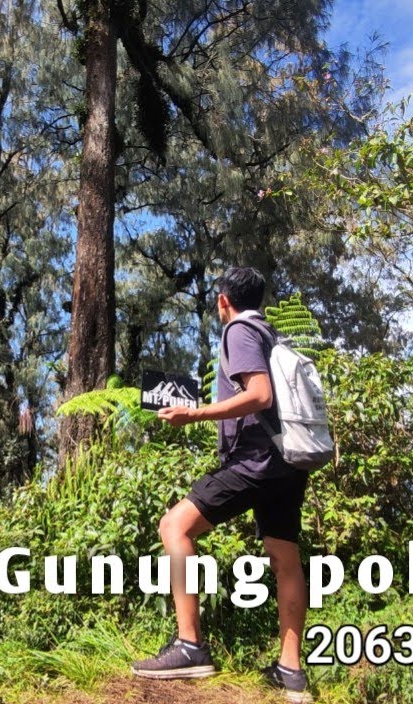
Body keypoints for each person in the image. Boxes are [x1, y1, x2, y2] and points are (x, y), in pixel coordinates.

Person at [130, 266, 311, 703]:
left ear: (223, 301)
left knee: (175, 527)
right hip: (288, 460)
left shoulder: (239, 332)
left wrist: (193, 414)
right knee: (284, 555)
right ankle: (291, 672)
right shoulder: (271, 332)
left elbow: (261, 395)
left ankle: (190, 646)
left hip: (257, 458)